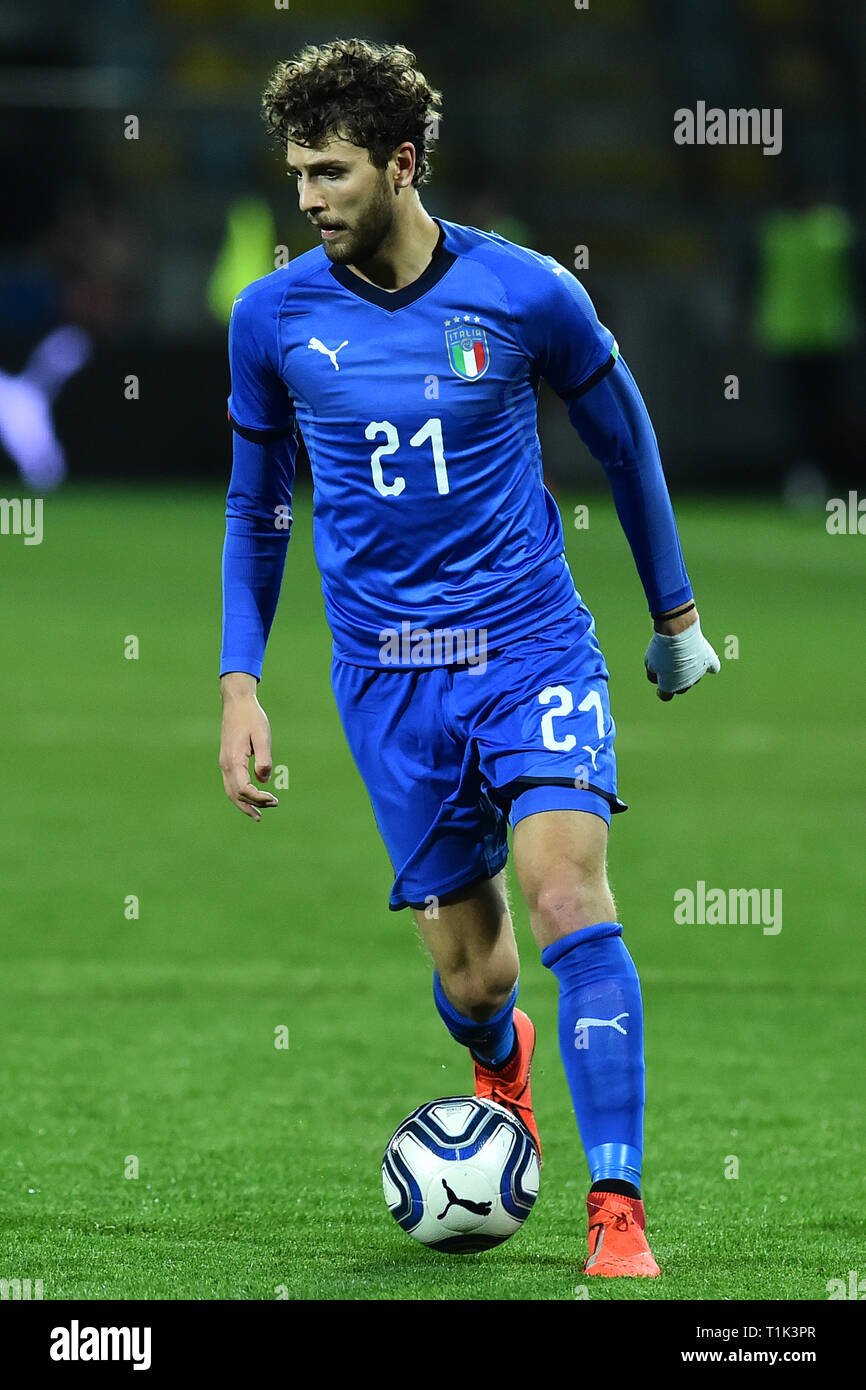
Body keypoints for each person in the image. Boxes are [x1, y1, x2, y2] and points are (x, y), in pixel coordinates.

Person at [218, 38, 720, 1279]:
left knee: (565, 900)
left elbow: (625, 442)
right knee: (475, 975)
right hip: (387, 685)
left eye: (329, 172)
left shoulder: (526, 294)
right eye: (295, 175)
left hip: (528, 650)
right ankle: (502, 1065)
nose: (308, 198)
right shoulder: (272, 320)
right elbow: (256, 509)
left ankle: (615, 1210)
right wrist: (241, 682)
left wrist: (672, 619)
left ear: (399, 163)